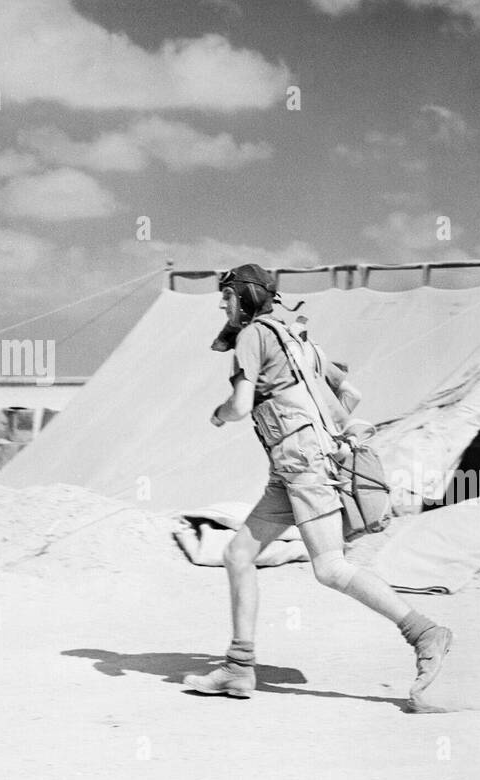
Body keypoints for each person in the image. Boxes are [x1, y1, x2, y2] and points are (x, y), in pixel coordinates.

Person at [183, 264, 452, 711]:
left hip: (300, 465)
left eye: (227, 296)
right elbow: (353, 393)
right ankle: (238, 666)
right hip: (294, 469)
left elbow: (241, 405)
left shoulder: (251, 336)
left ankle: (425, 633)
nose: (222, 303)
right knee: (238, 554)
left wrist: (218, 414)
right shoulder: (297, 340)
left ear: (246, 297)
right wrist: (324, 435)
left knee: (330, 568)